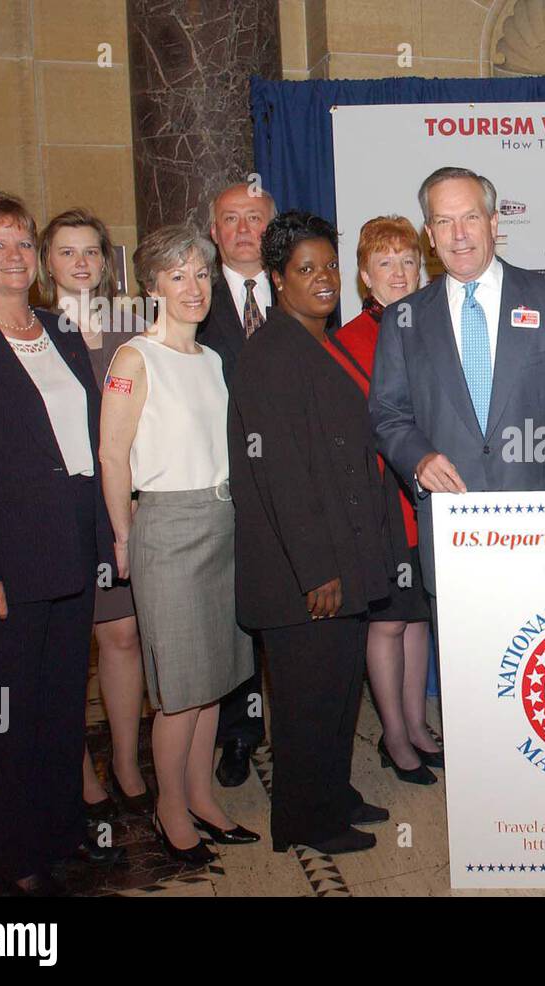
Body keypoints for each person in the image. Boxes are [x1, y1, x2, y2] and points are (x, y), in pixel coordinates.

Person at [0, 189, 124, 895]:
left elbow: (90, 449)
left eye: (22, 243)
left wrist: (100, 540)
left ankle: (60, 831)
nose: (13, 257)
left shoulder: (60, 332)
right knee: (2, 722)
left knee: (62, 708)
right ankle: (13, 860)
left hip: (69, 546)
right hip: (1, 565)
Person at [230, 211, 404, 854]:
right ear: (277, 279)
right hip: (302, 577)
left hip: (340, 560)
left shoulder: (315, 344)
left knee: (336, 694)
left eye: (329, 266)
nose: (324, 279)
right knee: (305, 704)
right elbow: (283, 476)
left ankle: (332, 794)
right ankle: (305, 821)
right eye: (305, 269)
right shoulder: (270, 354)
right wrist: (317, 571)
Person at [99, 224, 257, 865]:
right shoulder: (133, 358)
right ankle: (170, 808)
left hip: (222, 524)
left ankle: (202, 796)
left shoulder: (213, 359)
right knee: (179, 688)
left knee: (215, 676)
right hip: (167, 529)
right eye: (177, 276)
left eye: (201, 274)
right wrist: (124, 536)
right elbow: (112, 455)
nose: (193, 288)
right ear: (152, 286)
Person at [370, 165, 545, 599]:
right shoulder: (404, 320)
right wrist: (418, 460)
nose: (459, 234)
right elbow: (388, 414)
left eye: (471, 218)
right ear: (430, 234)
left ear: (494, 223)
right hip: (452, 534)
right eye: (444, 221)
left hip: (543, 537)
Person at [38, 208, 151, 822]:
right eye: (66, 252)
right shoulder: (31, 330)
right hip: (53, 507)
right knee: (63, 645)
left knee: (122, 633)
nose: (80, 263)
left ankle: (128, 762)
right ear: (45, 262)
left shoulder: (129, 330)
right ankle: (79, 770)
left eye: (90, 252)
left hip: (118, 498)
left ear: (106, 263)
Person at [334, 216, 440, 784]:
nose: (399, 273)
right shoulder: (347, 342)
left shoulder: (434, 325)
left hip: (435, 502)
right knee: (388, 625)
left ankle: (418, 724)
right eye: (385, 264)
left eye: (407, 262)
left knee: (419, 617)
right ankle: (393, 736)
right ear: (364, 276)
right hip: (380, 506)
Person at [198, 181, 275, 788]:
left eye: (255, 217)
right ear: (215, 231)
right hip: (220, 481)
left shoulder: (306, 285)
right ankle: (239, 733)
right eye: (232, 219)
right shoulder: (192, 299)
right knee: (232, 614)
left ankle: (302, 729)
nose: (245, 229)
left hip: (294, 482)